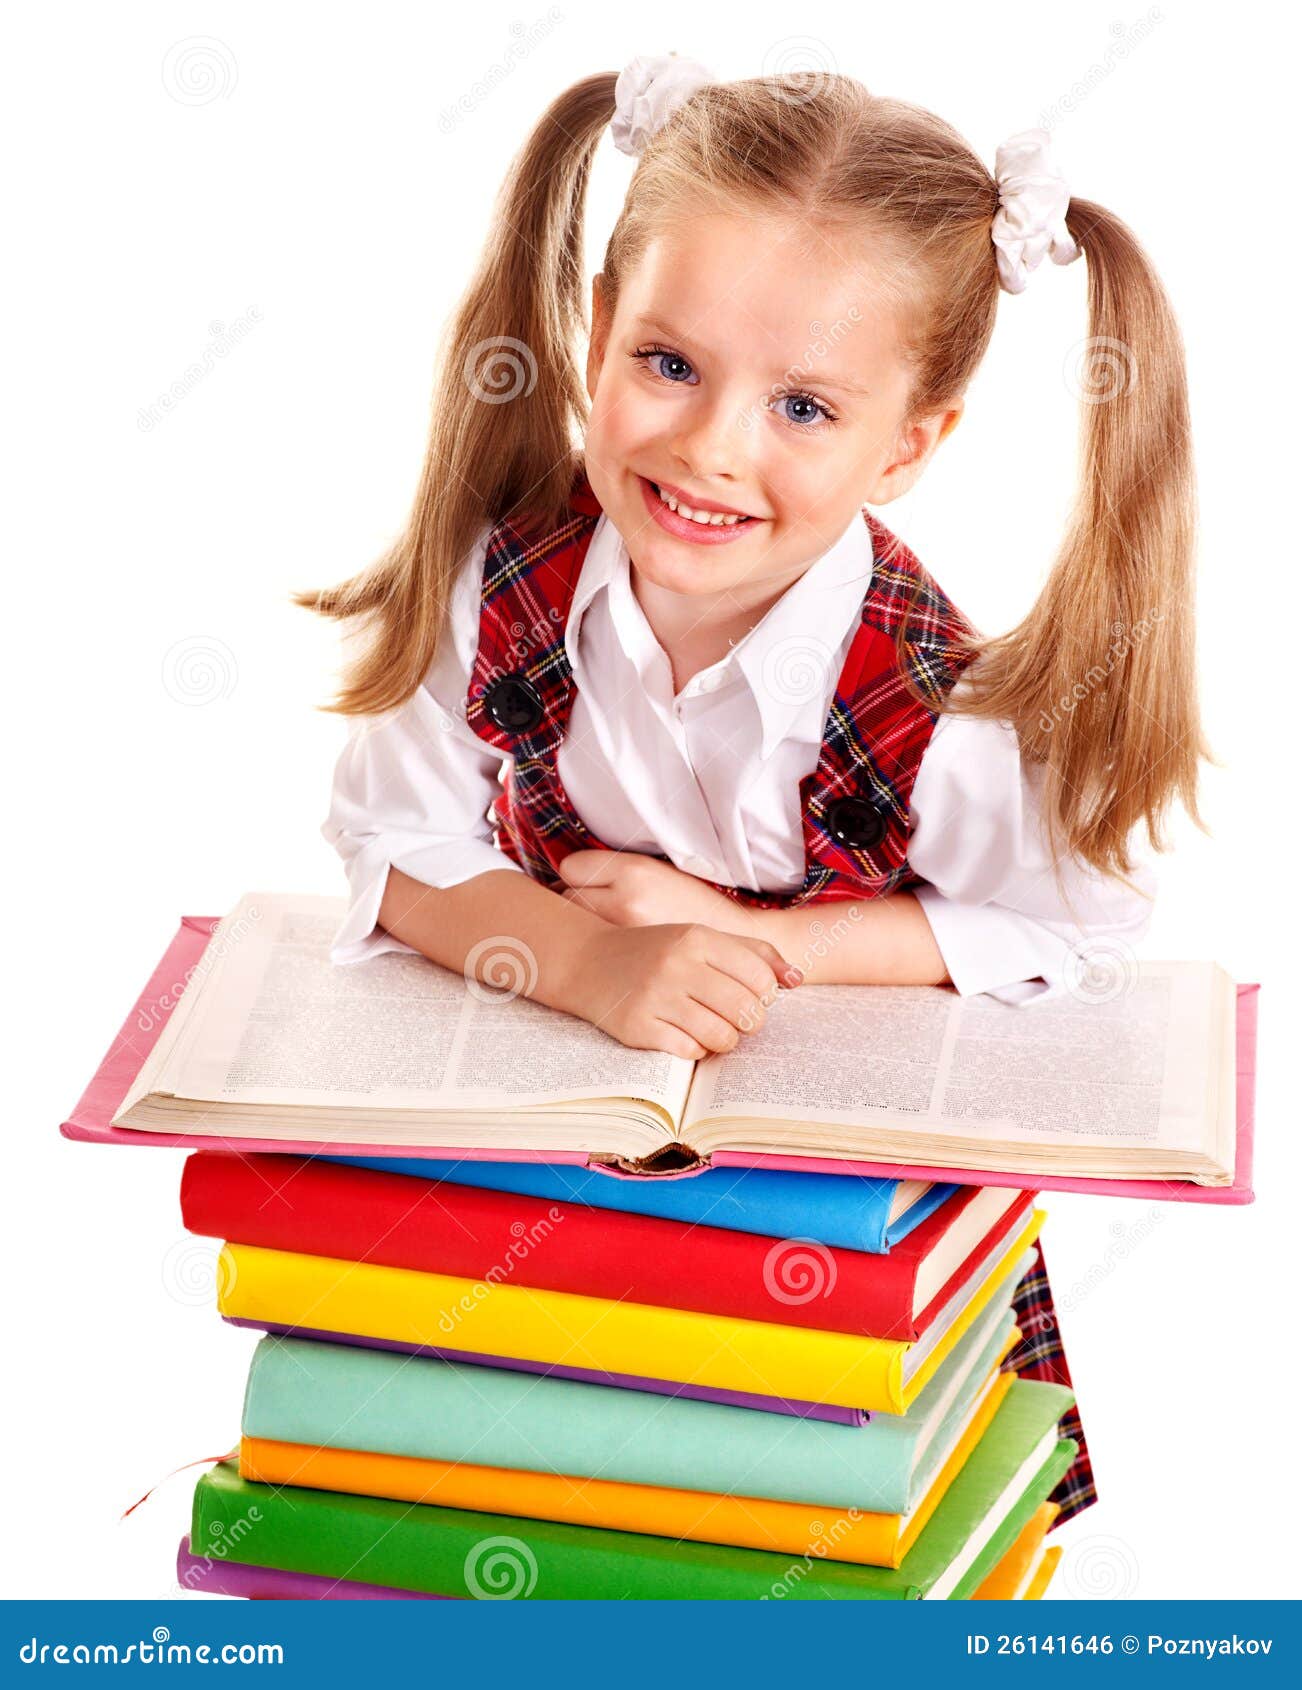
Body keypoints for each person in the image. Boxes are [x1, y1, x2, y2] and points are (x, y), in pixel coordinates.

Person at [297, 54, 1205, 1063]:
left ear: (907, 445)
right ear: (600, 338)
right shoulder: (502, 584)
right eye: (669, 363)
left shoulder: (940, 719)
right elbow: (391, 833)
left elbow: (1077, 922)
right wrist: (586, 963)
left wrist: (764, 942)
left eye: (804, 407)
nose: (711, 449)